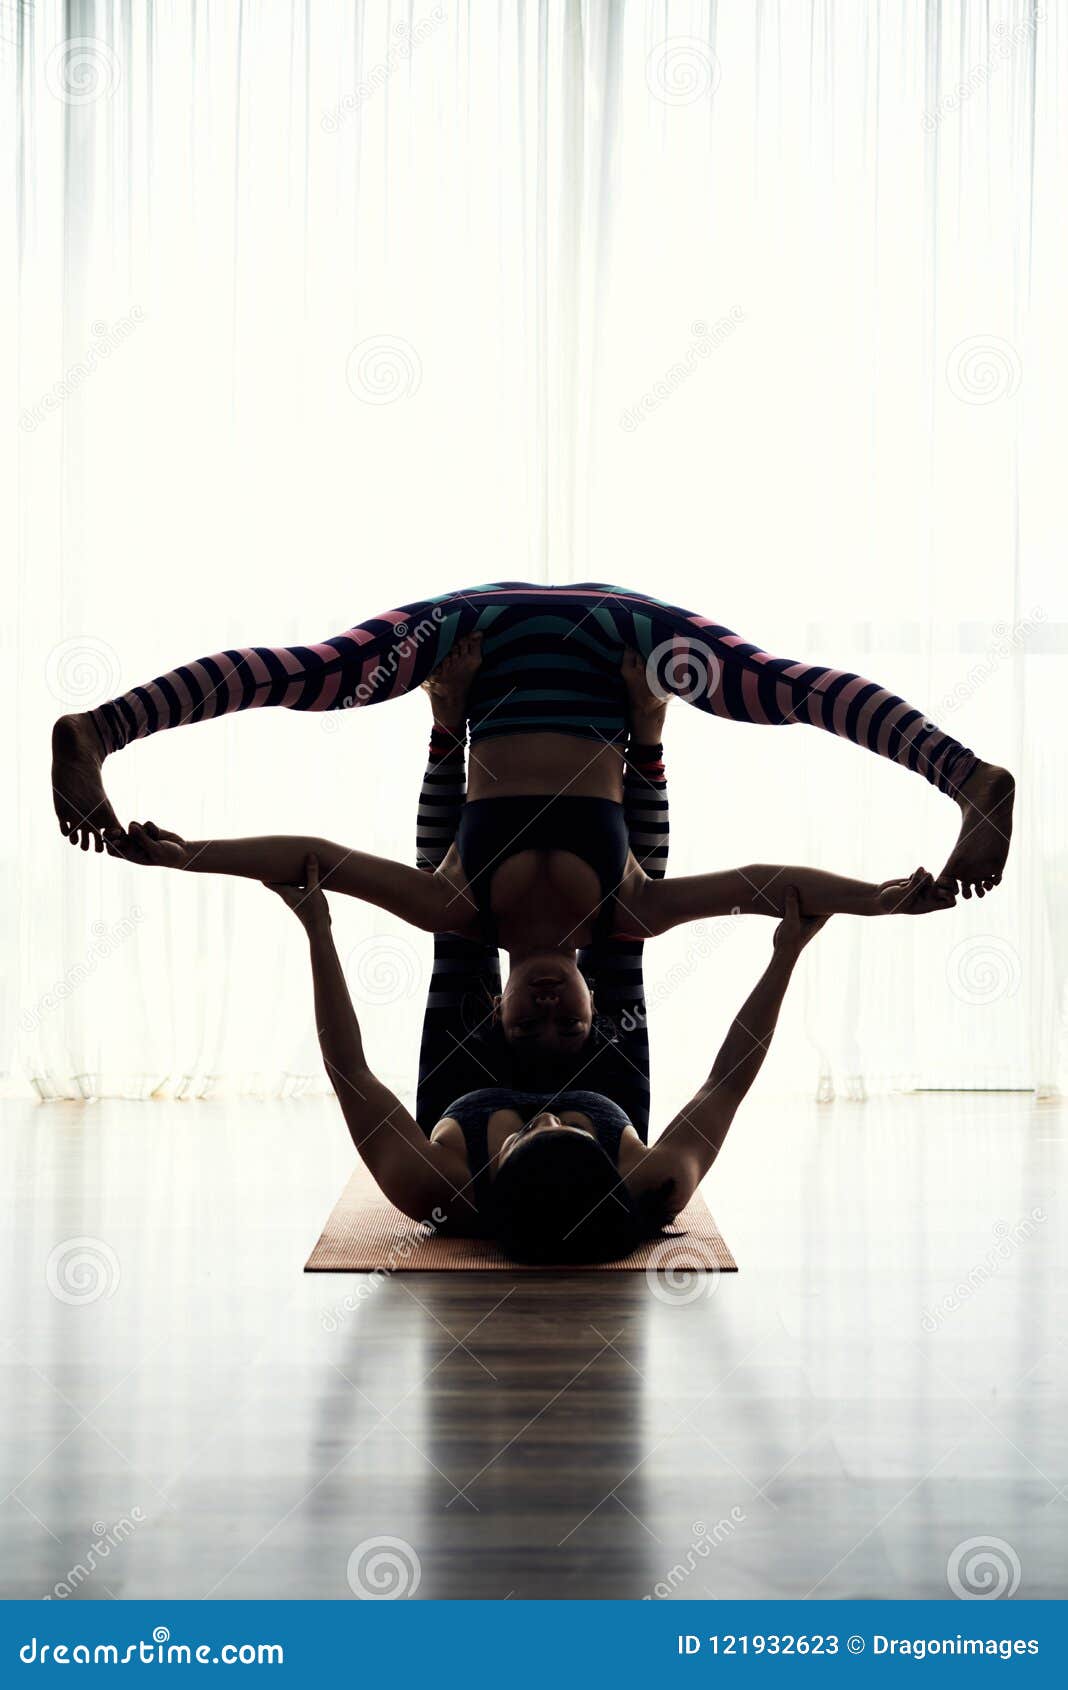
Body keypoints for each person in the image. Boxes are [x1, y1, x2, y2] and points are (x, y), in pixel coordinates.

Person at [52, 581, 1012, 908]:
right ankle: (966, 779)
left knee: (323, 676)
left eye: (528, 1019)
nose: (548, 1004)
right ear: (591, 1010)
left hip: (471, 635)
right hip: (620, 644)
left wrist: (443, 719)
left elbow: (403, 853)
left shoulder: (459, 909)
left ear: (504, 1013)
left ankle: (105, 729)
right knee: (781, 691)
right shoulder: (626, 918)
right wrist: (648, 735)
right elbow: (701, 865)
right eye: (567, 1020)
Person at [267, 852, 828, 1263]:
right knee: (623, 913)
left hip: (466, 1077)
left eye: (529, 1134)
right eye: (566, 1130)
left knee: (454, 908)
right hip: (600, 1067)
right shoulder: (653, 1183)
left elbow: (349, 1068)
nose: (546, 1115)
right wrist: (786, 956)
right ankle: (643, 743)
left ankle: (446, 735)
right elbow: (724, 1085)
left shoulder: (433, 1187)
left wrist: (318, 929)